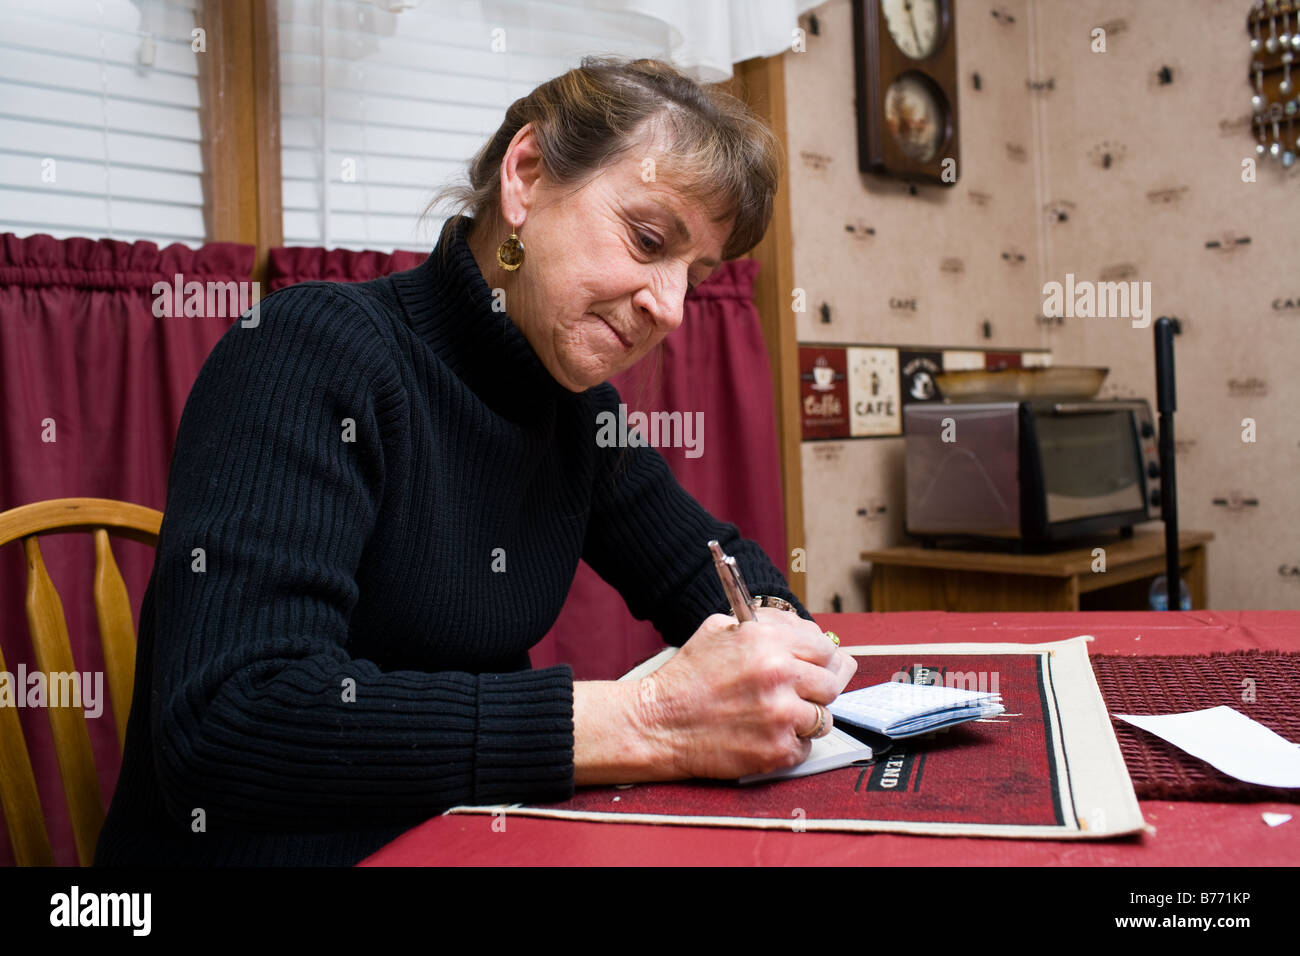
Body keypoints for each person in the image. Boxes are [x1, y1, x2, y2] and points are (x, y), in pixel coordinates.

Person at [95, 55, 855, 867]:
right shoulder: (308, 351)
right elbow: (230, 725)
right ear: (524, 176)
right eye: (647, 239)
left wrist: (774, 637)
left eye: (693, 276)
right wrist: (650, 718)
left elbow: (707, 563)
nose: (668, 307)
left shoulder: (575, 413)